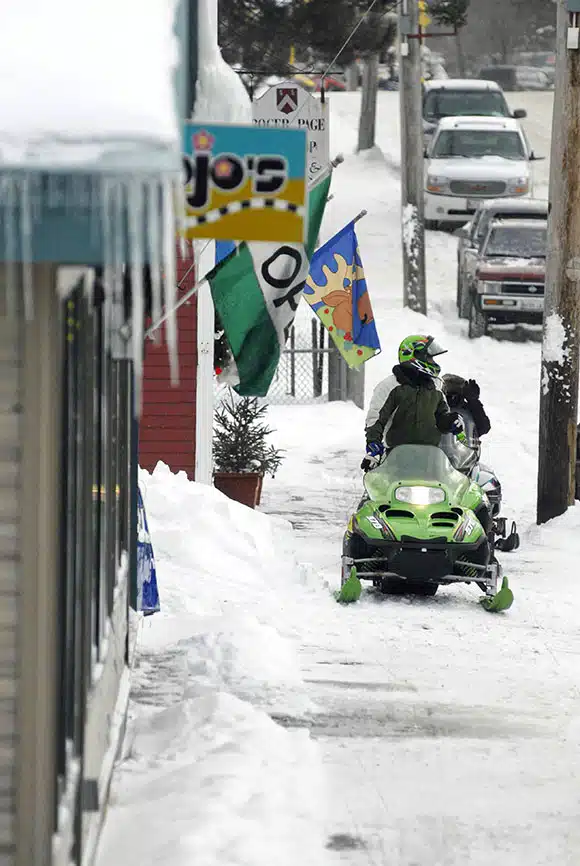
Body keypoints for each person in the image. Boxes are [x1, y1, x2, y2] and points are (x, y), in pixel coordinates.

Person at [362, 334, 464, 470]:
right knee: (376, 489)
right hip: (394, 457)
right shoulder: (390, 386)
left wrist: (451, 421)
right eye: (429, 357)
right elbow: (376, 419)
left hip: (430, 458)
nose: (433, 362)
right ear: (415, 356)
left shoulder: (436, 387)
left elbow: (441, 417)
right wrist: (373, 445)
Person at [441, 374, 490, 450]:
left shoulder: (466, 411)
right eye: (449, 395)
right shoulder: (437, 408)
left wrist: (474, 401)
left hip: (462, 456)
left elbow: (483, 427)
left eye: (455, 395)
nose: (452, 399)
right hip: (437, 455)